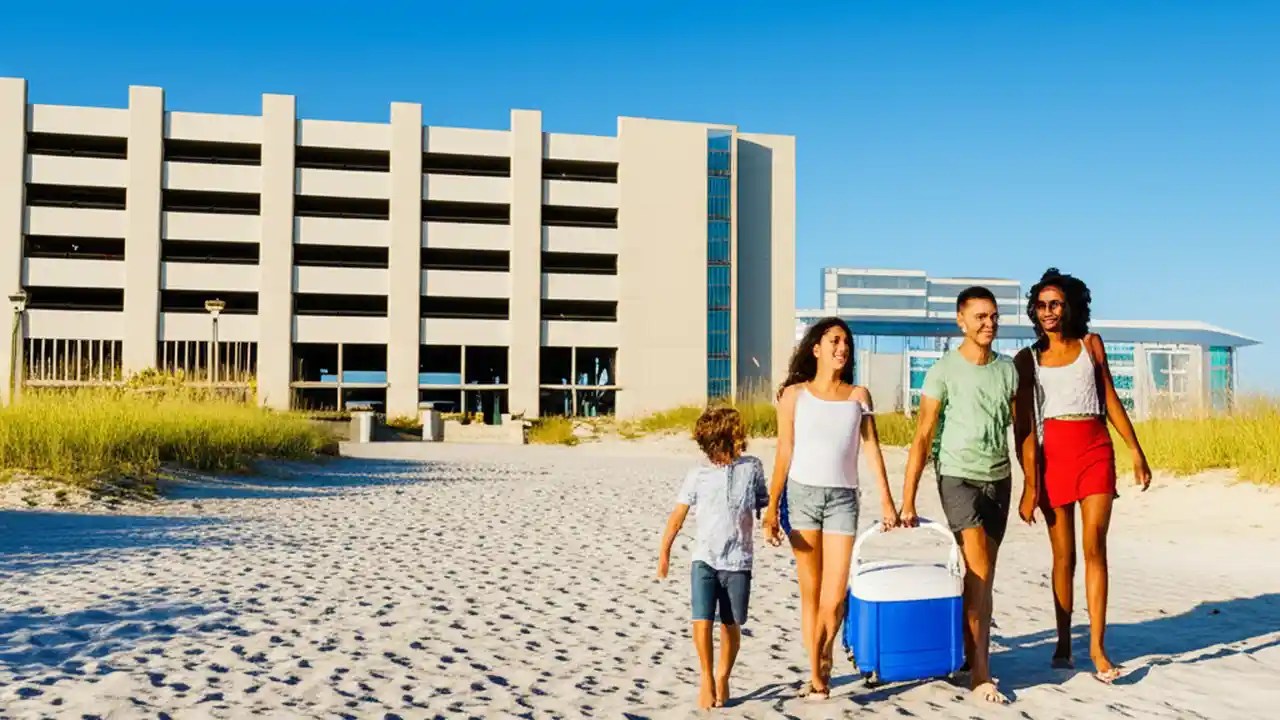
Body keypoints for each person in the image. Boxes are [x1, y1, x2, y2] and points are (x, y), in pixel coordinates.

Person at [1013, 268, 1151, 684]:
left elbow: (1109, 397)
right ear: (1034, 311)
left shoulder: (1091, 346)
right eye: (1041, 305)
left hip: (1095, 447)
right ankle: (1062, 642)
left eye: (1056, 303)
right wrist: (1030, 483)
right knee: (1063, 555)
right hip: (1053, 452)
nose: (1049, 311)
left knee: (1095, 547)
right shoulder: (1028, 359)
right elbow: (1024, 426)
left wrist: (1135, 449)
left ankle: (1097, 646)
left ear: (1070, 306)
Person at [899, 286, 1026, 705]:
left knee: (982, 578)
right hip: (956, 475)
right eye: (980, 317)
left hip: (999, 478)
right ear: (961, 320)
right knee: (980, 566)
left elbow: (1023, 432)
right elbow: (922, 435)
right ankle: (982, 675)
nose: (988, 324)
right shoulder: (943, 371)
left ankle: (971, 654)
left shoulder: (1008, 369)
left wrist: (1033, 486)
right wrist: (908, 498)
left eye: (994, 317)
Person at [761, 317, 899, 701]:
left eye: (847, 343)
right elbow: (784, 451)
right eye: (834, 340)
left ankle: (822, 656)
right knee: (811, 593)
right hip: (801, 497)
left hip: (842, 499)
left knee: (835, 596)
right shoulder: (793, 395)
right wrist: (772, 507)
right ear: (816, 348)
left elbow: (871, 448)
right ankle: (817, 673)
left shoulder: (859, 396)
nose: (842, 348)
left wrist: (887, 499)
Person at [656, 406, 768, 710]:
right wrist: (665, 551)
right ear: (719, 440)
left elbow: (764, 503)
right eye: (735, 433)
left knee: (732, 624)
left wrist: (774, 524)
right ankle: (706, 676)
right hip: (704, 557)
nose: (742, 437)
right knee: (702, 619)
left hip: (739, 559)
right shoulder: (698, 475)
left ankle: (723, 675)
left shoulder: (753, 467)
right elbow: (678, 515)